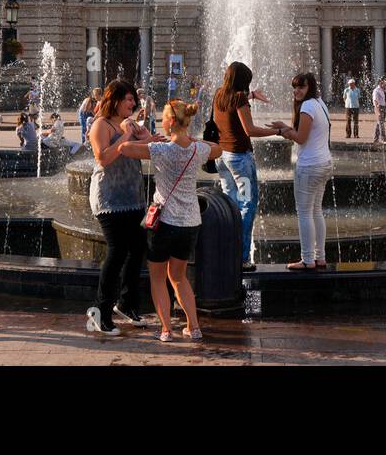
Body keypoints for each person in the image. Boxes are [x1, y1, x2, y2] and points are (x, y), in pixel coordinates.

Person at [119, 99, 220, 342]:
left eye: (164, 118)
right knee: (178, 276)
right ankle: (193, 327)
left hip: (163, 222)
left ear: (171, 121)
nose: (162, 123)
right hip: (190, 223)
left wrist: (130, 132)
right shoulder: (198, 150)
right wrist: (194, 140)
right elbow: (218, 149)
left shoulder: (160, 150)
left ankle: (165, 330)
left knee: (157, 277)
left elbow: (124, 149)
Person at [88, 78, 160, 335]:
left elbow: (143, 151)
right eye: (128, 99)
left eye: (133, 99)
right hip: (109, 198)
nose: (133, 103)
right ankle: (100, 311)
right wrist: (128, 136)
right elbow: (104, 158)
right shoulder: (101, 125)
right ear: (115, 100)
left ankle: (126, 304)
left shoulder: (129, 125)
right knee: (117, 252)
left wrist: (152, 139)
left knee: (137, 249)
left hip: (133, 197)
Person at [214, 61, 284, 271]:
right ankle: (242, 257)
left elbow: (231, 106)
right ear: (243, 81)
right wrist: (278, 132)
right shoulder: (239, 98)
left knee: (230, 206)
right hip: (239, 160)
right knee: (247, 205)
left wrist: (252, 95)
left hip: (222, 159)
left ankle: (225, 252)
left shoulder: (219, 94)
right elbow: (250, 130)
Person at [273, 72, 334, 270]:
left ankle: (307, 260)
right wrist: (285, 126)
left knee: (304, 213)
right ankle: (321, 257)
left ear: (310, 88)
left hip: (309, 166)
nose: (297, 91)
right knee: (316, 210)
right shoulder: (319, 103)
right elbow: (306, 133)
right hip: (324, 163)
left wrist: (282, 131)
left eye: (302, 87)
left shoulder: (307, 106)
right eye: (295, 87)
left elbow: (300, 138)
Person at [371, 78, 386, 144]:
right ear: (380, 83)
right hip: (379, 107)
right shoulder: (376, 90)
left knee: (379, 123)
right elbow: (375, 100)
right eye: (384, 82)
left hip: (383, 107)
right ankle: (383, 139)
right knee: (381, 124)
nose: (385, 84)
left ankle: (375, 139)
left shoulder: (382, 90)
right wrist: (377, 110)